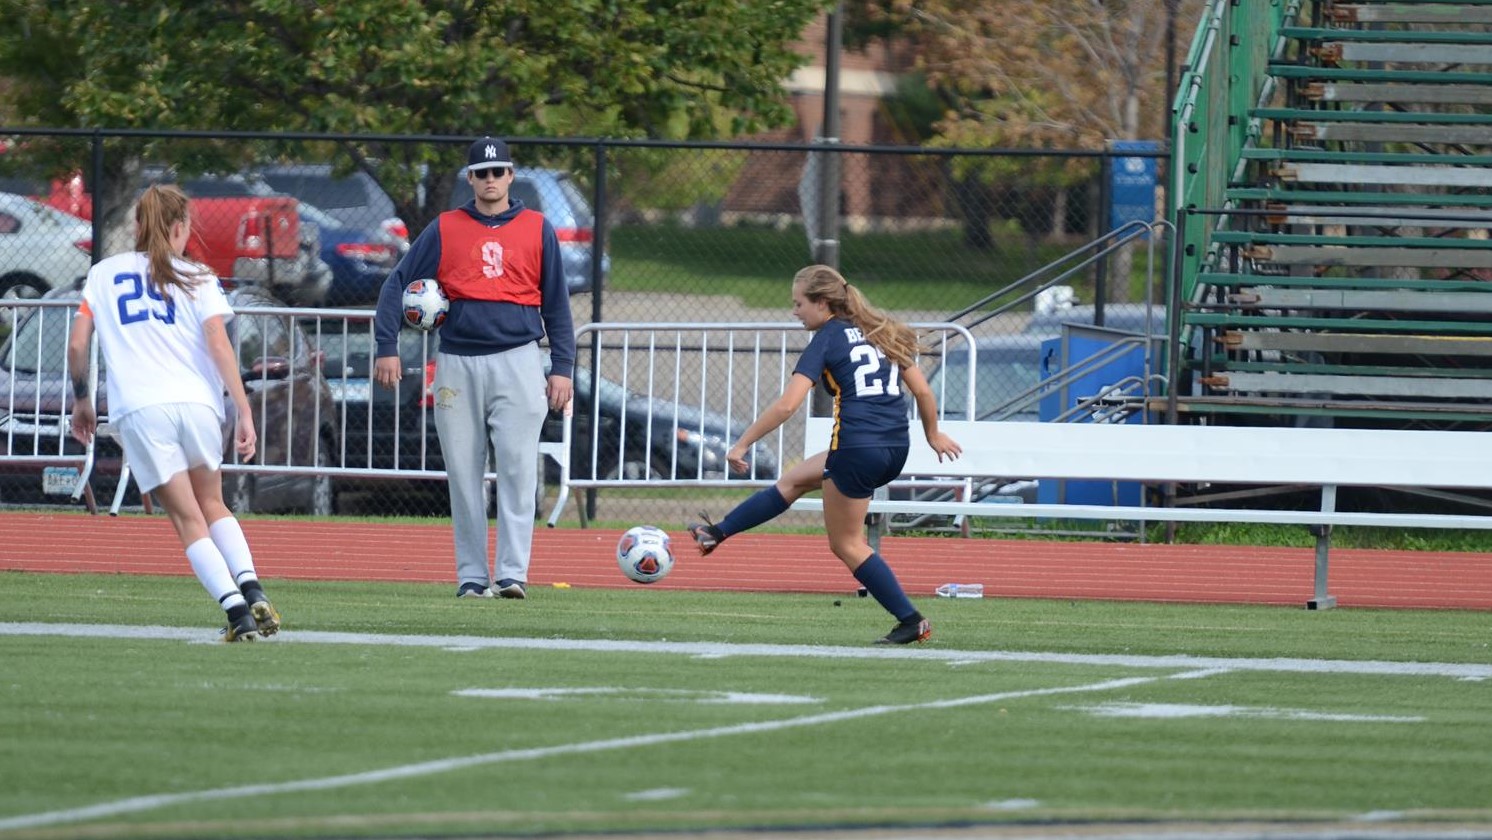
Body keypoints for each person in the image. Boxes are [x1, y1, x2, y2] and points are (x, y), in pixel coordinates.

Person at [689, 265, 962, 644]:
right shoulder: (879, 331)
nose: (795, 311)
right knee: (793, 480)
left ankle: (911, 619)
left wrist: (742, 443)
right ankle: (716, 532)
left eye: (799, 303)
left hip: (856, 449)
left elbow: (787, 406)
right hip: (895, 447)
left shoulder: (828, 338)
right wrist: (933, 433)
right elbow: (924, 393)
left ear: (822, 303)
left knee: (846, 544)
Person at [68, 184, 279, 642]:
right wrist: (243, 410)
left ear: (138, 226)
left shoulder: (104, 274)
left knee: (187, 518)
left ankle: (237, 613)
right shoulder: (199, 276)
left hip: (143, 410)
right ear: (181, 227)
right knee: (213, 503)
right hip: (200, 404)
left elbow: (78, 344)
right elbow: (219, 344)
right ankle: (253, 588)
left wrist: (82, 398)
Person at [373, 137, 575, 600]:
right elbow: (397, 282)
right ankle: (470, 575)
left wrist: (561, 366)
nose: (490, 180)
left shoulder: (537, 227)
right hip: (457, 361)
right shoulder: (445, 227)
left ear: (511, 175)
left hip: (519, 360)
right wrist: (387, 345)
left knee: (519, 469)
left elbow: (558, 304)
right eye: (481, 173)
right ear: (470, 178)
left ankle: (511, 574)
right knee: (463, 473)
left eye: (498, 171)